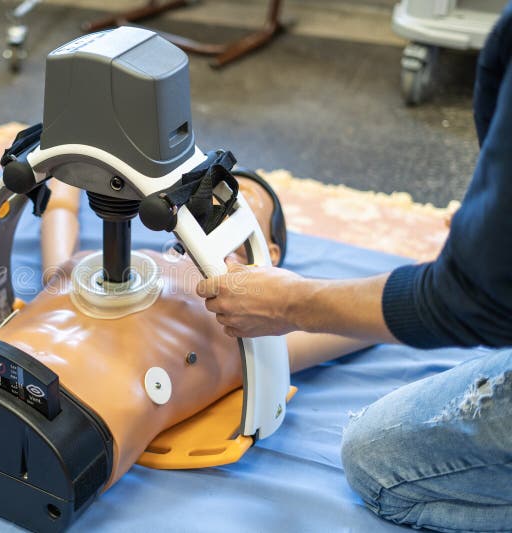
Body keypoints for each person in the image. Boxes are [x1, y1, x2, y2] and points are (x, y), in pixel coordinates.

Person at [196, 5, 512, 531]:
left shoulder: (242, 339)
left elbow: (360, 329)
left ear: (271, 255)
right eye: (205, 217)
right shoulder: (138, 266)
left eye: (239, 217)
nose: (217, 226)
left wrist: (295, 305)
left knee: (376, 460)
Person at [40, 169, 374, 373]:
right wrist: (69, 171)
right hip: (37, 350)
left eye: (241, 204)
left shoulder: (251, 334)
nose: (221, 206)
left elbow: (359, 322)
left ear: (269, 254)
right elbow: (59, 214)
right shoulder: (84, 271)